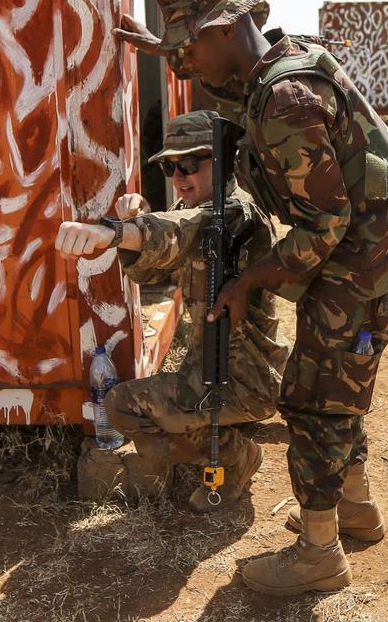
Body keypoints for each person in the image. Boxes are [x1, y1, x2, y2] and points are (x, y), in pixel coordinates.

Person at [113, 0, 388, 595]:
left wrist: (249, 279)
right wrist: (159, 46)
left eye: (189, 45)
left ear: (225, 29)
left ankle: (318, 553)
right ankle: (357, 509)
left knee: (312, 401)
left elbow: (324, 225)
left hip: (357, 266)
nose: (185, 62)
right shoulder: (275, 67)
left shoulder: (283, 100)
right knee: (340, 387)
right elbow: (232, 95)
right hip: (364, 257)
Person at [54, 110, 289, 512]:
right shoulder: (199, 210)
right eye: (170, 166)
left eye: (191, 163)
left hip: (245, 380)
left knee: (122, 406)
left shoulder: (235, 215)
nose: (179, 176)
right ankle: (224, 442)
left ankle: (235, 457)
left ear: (222, 161)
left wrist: (111, 232)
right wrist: (135, 221)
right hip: (209, 369)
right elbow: (155, 265)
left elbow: (182, 228)